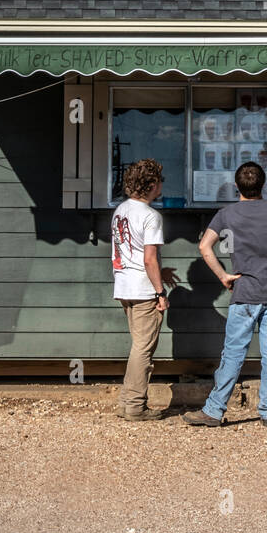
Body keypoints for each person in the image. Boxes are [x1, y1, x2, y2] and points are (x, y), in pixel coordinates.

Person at [184, 162, 267, 427]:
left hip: (244, 294)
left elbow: (204, 246)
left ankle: (214, 410)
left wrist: (223, 276)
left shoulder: (226, 214)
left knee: (233, 353)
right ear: (263, 185)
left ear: (237, 187)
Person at [111, 158, 171, 420]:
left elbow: (129, 252)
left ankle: (127, 403)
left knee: (138, 346)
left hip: (124, 285)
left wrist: (161, 273)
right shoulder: (151, 216)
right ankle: (135, 406)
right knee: (143, 349)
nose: (161, 186)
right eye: (159, 181)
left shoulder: (120, 210)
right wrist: (160, 292)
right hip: (144, 289)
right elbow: (148, 258)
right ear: (151, 184)